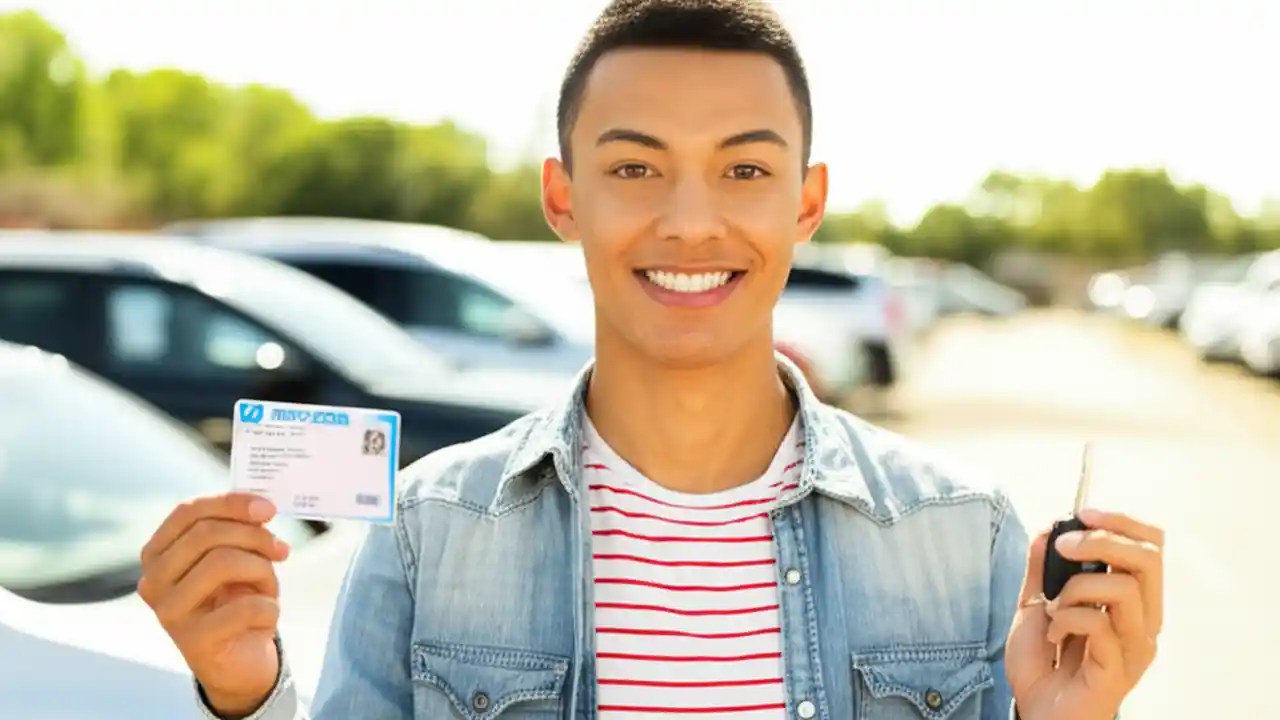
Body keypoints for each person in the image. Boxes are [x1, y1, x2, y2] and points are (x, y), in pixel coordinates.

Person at [137, 1, 1164, 718]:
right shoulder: (426, 533)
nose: (688, 222)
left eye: (743, 169)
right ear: (561, 195)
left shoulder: (959, 531)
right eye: (633, 166)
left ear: (804, 202)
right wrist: (243, 695)